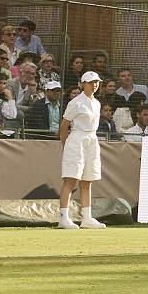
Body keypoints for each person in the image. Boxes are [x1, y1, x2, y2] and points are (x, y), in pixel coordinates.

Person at [57, 69, 108, 230]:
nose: (94, 85)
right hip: (76, 140)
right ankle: (64, 218)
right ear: (83, 84)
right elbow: (64, 126)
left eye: (96, 82)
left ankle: (87, 218)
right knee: (70, 179)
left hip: (91, 140)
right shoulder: (75, 103)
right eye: (91, 82)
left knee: (87, 180)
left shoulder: (97, 103)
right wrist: (65, 145)